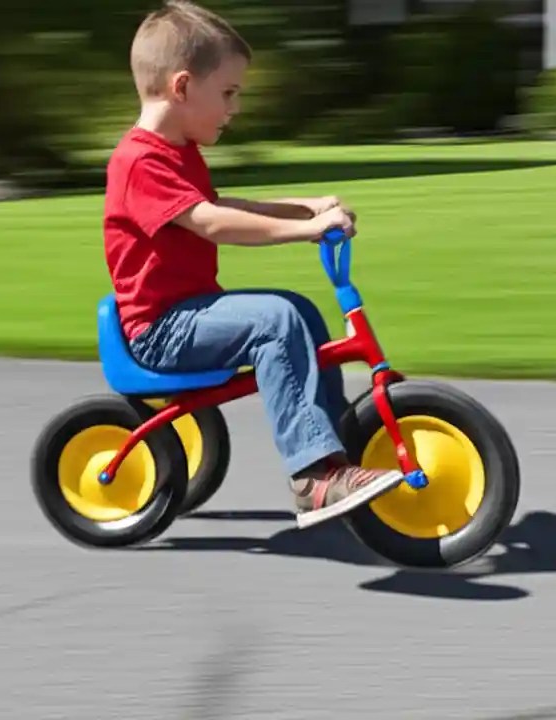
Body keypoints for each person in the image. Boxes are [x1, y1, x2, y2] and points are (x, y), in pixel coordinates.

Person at [102, 0, 405, 528]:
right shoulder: (138, 162)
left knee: (298, 312)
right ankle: (314, 478)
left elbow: (224, 207)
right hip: (160, 331)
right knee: (276, 321)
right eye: (228, 93)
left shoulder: (179, 151)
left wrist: (305, 206)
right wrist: (306, 230)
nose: (234, 108)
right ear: (181, 87)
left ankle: (334, 451)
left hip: (191, 313)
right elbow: (213, 224)